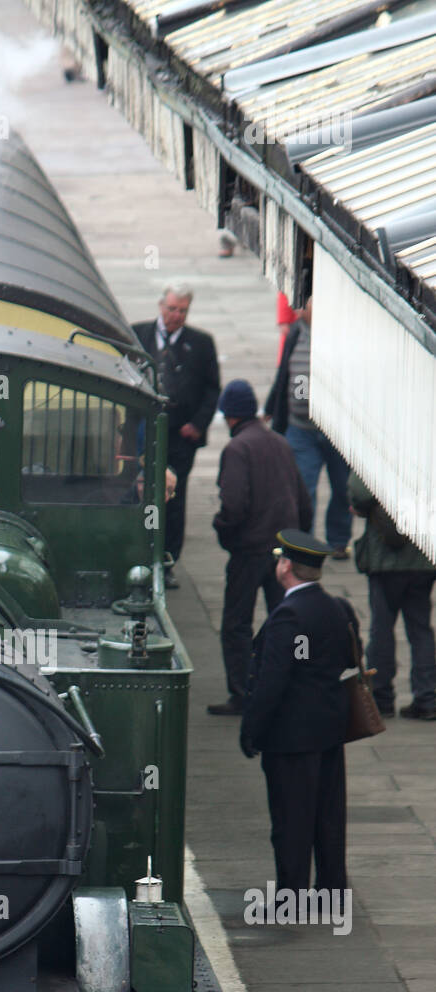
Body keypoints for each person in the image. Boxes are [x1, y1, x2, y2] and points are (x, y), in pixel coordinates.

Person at [240, 530, 358, 893]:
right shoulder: (338, 608)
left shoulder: (289, 616)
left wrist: (251, 730)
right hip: (329, 733)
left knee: (291, 821)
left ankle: (291, 897)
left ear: (286, 565)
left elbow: (272, 682)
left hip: (291, 739)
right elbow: (351, 659)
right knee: (327, 819)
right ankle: (331, 891)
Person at [207, 380, 313, 716]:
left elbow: (234, 505)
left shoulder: (237, 450)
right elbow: (304, 500)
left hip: (250, 551)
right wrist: (297, 541)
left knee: (237, 623)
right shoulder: (280, 442)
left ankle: (242, 693)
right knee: (284, 618)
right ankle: (288, 687)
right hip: (285, 549)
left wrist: (224, 532)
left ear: (229, 416)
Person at [132, 286, 220, 586]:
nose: (176, 316)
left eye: (182, 311)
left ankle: (168, 558)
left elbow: (212, 389)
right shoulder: (137, 335)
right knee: (141, 488)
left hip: (181, 436)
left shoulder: (201, 343)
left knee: (174, 494)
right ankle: (139, 551)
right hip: (145, 433)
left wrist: (198, 424)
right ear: (161, 306)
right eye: (172, 309)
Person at [264, 296, 351, 559]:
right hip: (300, 428)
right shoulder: (295, 334)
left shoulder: (340, 336)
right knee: (304, 487)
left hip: (335, 430)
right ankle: (304, 539)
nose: (298, 310)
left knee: (342, 488)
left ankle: (338, 540)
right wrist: (271, 407)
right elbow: (284, 374)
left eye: (305, 307)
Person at [348, 474, 436, 720]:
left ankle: (381, 697)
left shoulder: (381, 444)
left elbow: (360, 494)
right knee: (420, 629)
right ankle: (427, 697)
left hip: (385, 557)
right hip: (422, 555)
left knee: (382, 628)